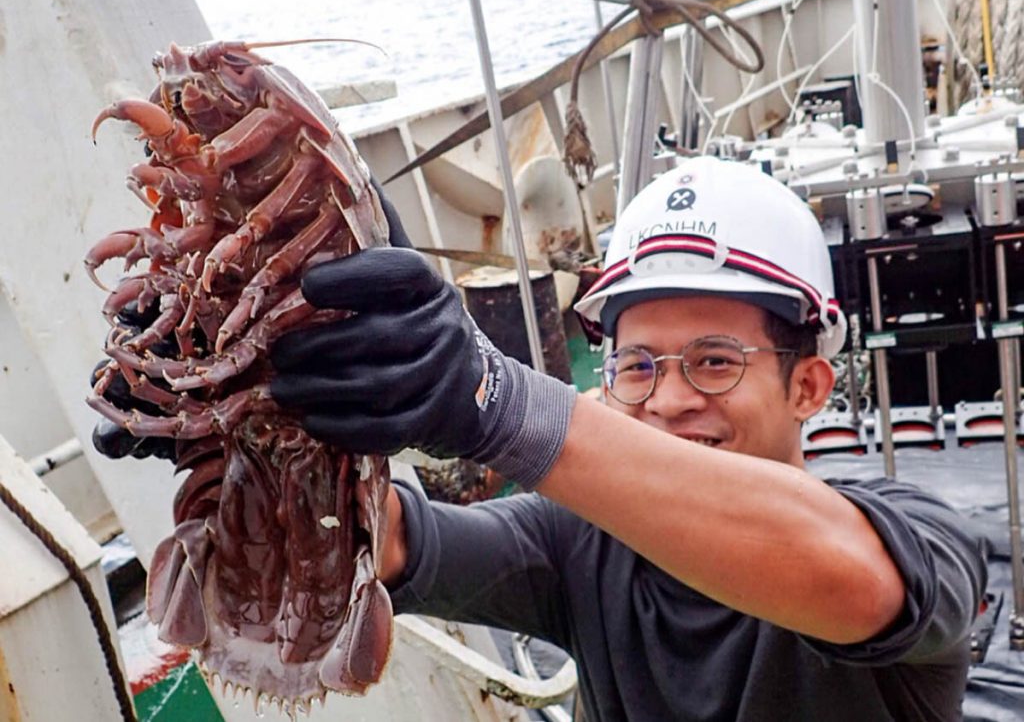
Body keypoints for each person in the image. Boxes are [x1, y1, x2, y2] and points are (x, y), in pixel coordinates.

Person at [96, 157, 987, 721]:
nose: (669, 400)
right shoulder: (578, 545)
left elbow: (853, 580)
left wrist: (497, 402)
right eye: (638, 367)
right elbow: (394, 538)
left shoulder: (921, 536)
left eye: (714, 362)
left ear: (809, 384)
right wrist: (244, 411)